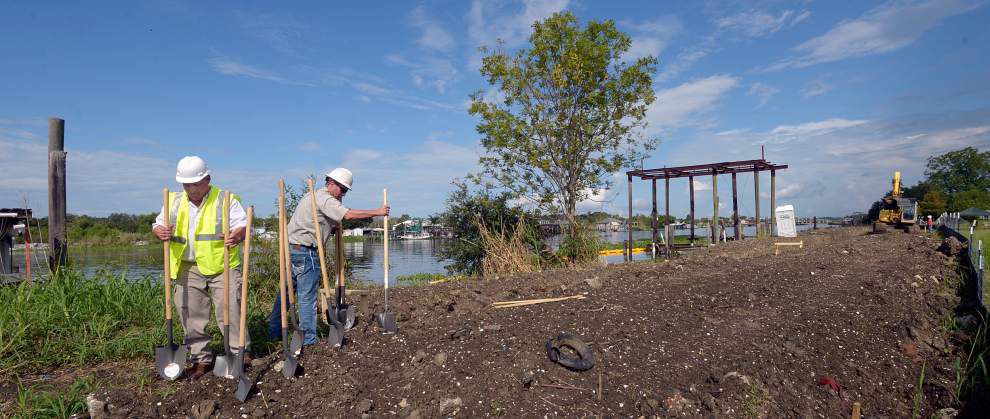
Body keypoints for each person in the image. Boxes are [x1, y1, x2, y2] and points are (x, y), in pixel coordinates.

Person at [152, 156, 251, 380]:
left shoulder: (225, 199)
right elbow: (157, 223)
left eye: (195, 184)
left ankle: (239, 353)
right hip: (187, 266)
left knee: (230, 309)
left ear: (207, 179)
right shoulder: (173, 201)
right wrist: (159, 230)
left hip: (221, 264)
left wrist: (237, 235)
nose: (191, 189)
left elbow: (243, 225)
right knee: (190, 313)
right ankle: (201, 359)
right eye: (186, 184)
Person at [267, 168, 388, 345]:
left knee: (285, 294)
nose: (343, 194)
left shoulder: (313, 196)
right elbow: (347, 214)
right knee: (307, 297)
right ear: (331, 183)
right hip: (307, 252)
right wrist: (377, 212)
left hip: (292, 250)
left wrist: (330, 229)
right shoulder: (325, 198)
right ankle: (308, 339)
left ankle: (274, 332)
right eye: (343, 190)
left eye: (345, 191)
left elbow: (313, 222)